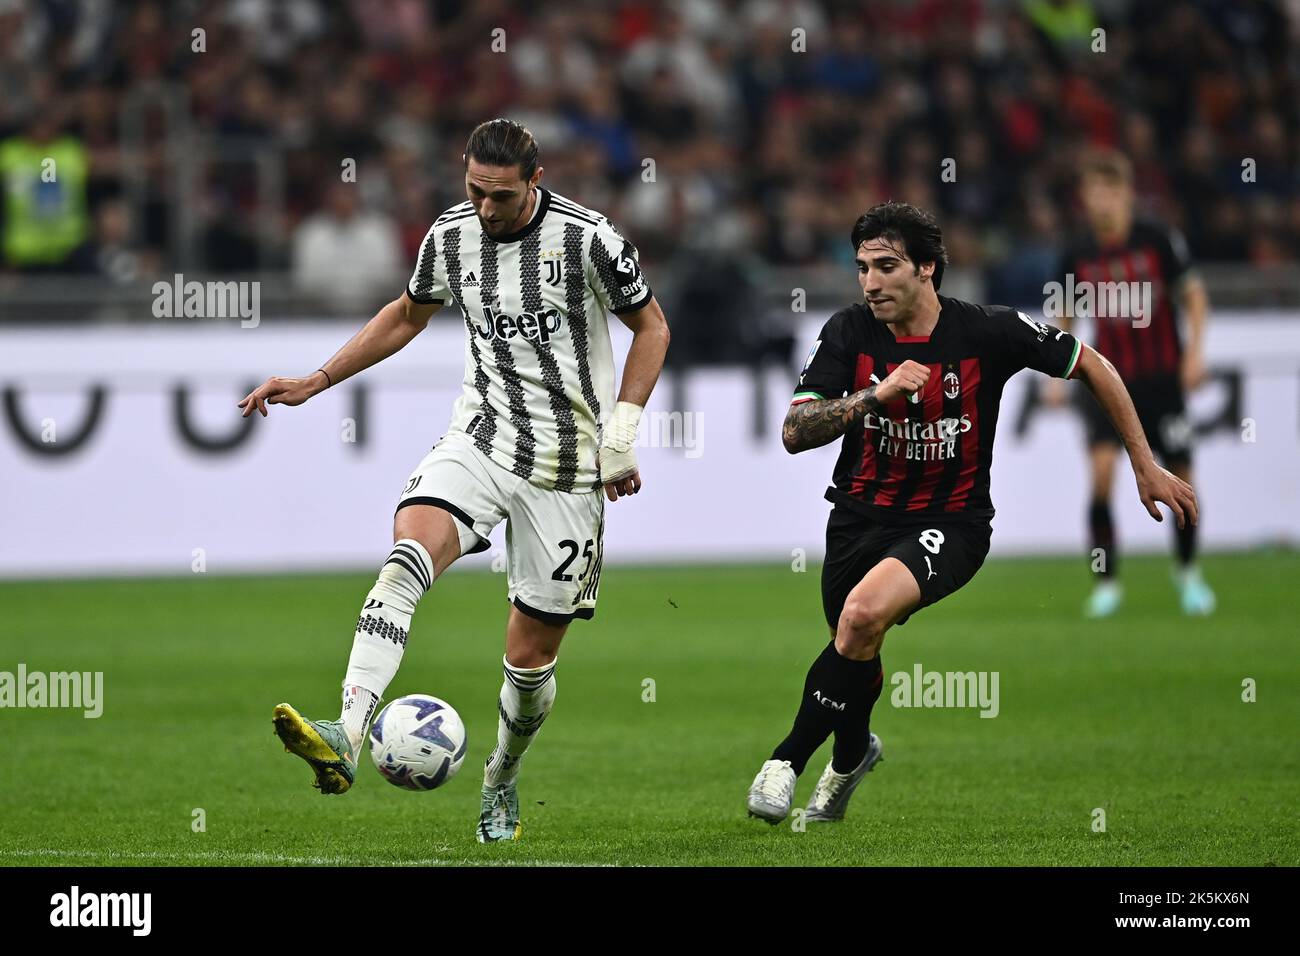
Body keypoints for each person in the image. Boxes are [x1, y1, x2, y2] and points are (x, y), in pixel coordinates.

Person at [239, 119, 671, 842]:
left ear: (535, 182)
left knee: (529, 663)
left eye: (500, 197)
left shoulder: (590, 240)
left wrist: (621, 436)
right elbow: (408, 315)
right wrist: (318, 379)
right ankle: (346, 730)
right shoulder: (450, 235)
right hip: (481, 439)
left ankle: (500, 778)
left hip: (566, 470)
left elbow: (651, 327)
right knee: (408, 553)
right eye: (475, 190)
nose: (485, 209)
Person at [745, 201, 1197, 825]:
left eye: (887, 266)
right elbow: (795, 430)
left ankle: (785, 762)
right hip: (856, 517)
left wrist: (1144, 464)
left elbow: (1091, 363)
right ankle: (851, 757)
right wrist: (874, 395)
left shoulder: (989, 330)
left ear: (927, 268)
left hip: (950, 523)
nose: (871, 282)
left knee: (861, 615)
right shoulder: (848, 333)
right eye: (862, 268)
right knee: (854, 647)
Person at [1051, 148, 1215, 618]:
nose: (1101, 200)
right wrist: (1059, 373)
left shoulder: (1157, 240)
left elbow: (1194, 296)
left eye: (1110, 190)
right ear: (1085, 198)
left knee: (1181, 478)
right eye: (1093, 191)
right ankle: (1106, 585)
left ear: (1126, 194)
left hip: (1163, 381)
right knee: (1101, 478)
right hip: (1107, 383)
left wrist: (1197, 354)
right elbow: (1065, 315)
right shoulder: (1075, 253)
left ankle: (1188, 575)